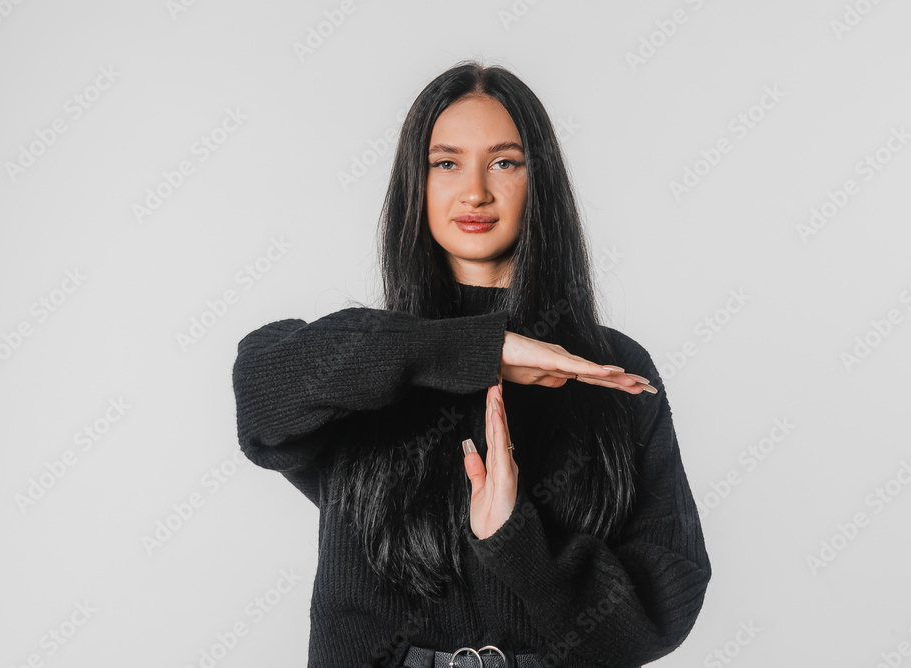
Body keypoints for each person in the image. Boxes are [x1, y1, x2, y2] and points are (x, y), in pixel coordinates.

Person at [231, 60, 711, 668]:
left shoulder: (610, 368)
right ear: (417, 182)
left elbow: (661, 608)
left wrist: (519, 546)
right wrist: (482, 347)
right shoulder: (368, 358)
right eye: (446, 162)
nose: (476, 190)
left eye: (505, 162)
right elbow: (261, 394)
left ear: (540, 182)